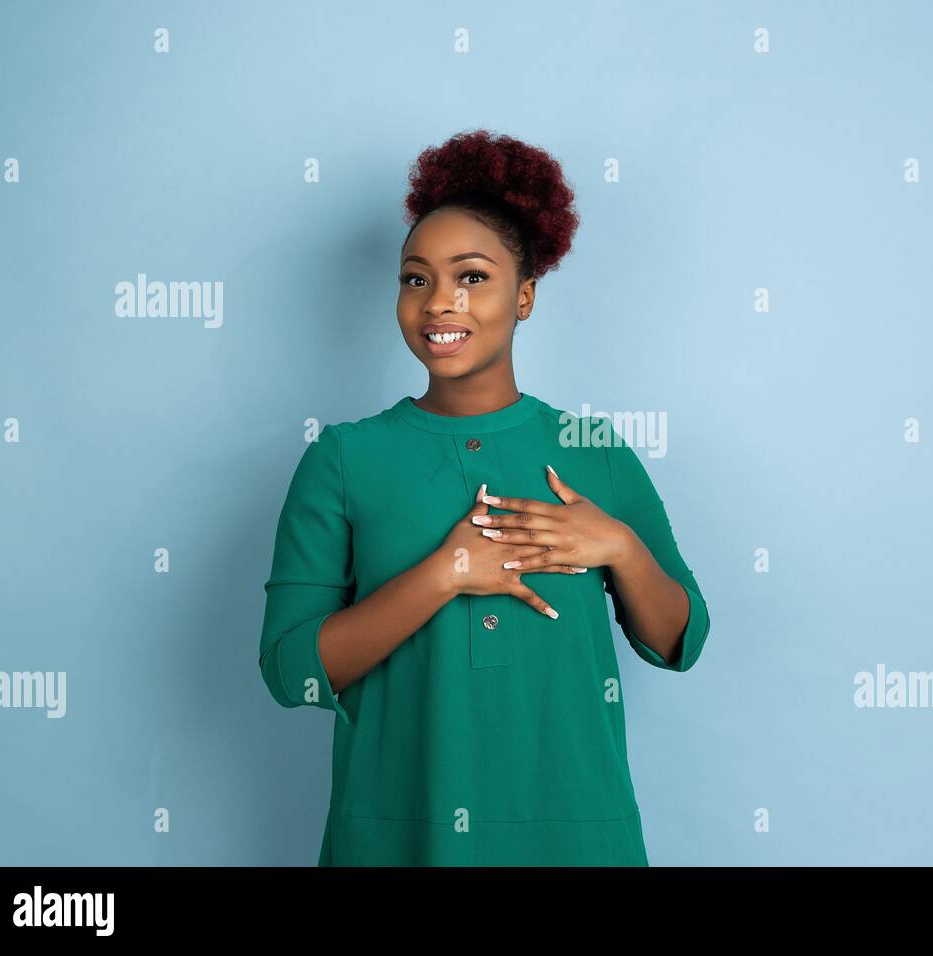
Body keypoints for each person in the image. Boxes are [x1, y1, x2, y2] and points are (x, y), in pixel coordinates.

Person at [257, 129, 711, 865]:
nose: (441, 302)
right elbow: (290, 671)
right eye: (416, 278)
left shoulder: (596, 450)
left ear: (524, 296)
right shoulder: (343, 458)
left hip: (578, 841)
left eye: (473, 277)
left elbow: (679, 640)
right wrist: (444, 575)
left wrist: (620, 549)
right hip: (399, 841)